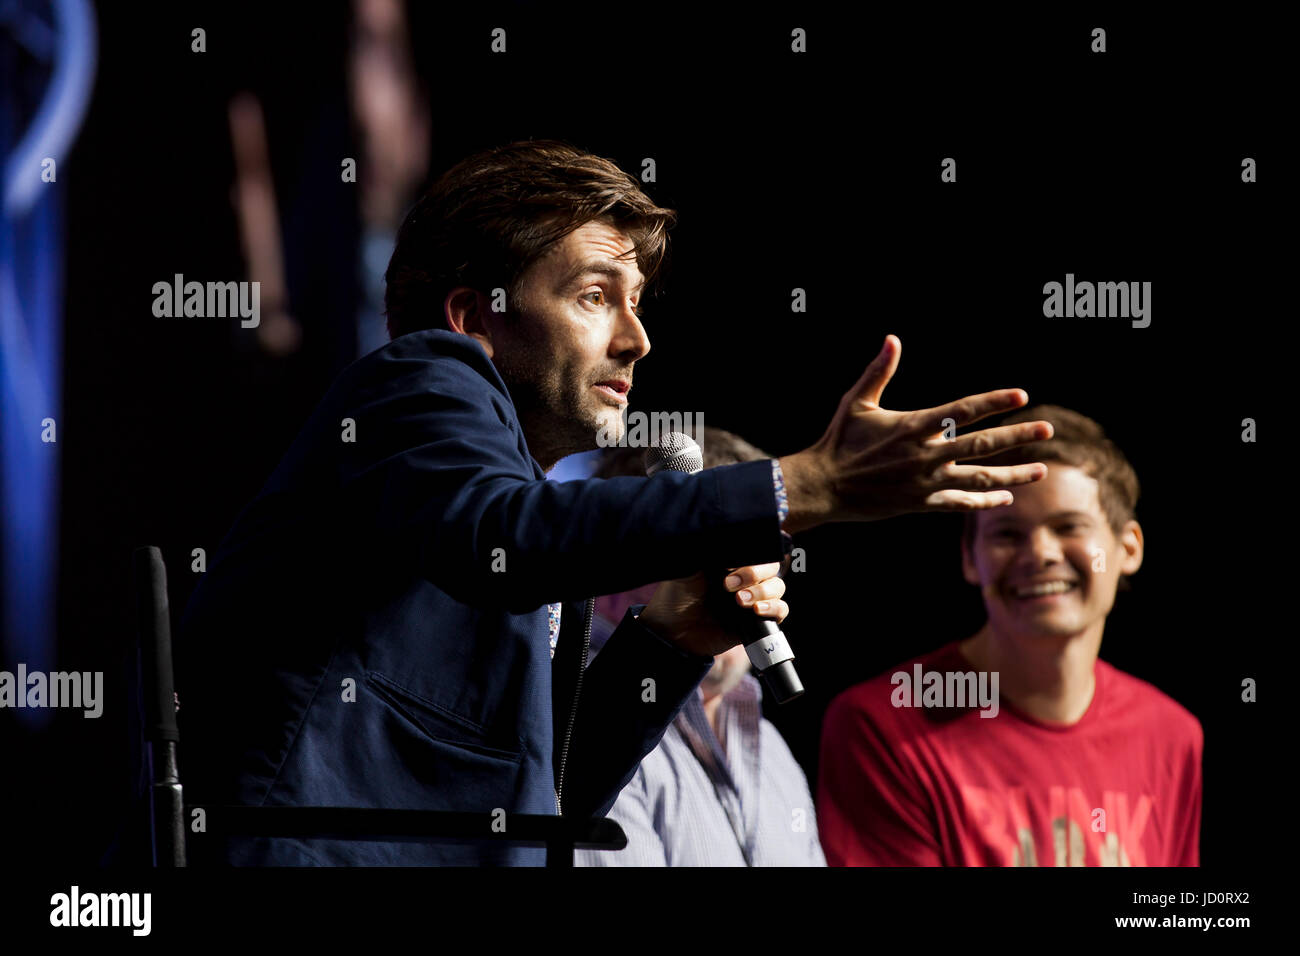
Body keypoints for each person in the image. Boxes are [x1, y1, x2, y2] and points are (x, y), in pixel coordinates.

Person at [177, 139, 1053, 866]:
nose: (636, 339)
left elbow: (546, 793)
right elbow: (507, 540)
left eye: (636, 304)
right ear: (473, 316)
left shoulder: (520, 514)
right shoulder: (421, 382)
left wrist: (675, 639)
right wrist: (802, 486)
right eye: (595, 296)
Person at [817, 406, 1202, 867]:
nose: (1040, 553)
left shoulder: (1171, 736)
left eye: (1068, 526)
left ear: (1128, 548)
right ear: (968, 556)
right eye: (1007, 533)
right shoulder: (881, 726)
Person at [574, 428, 825, 866]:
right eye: (708, 548)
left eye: (763, 551)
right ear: (616, 559)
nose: (743, 575)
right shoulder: (574, 726)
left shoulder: (771, 747)